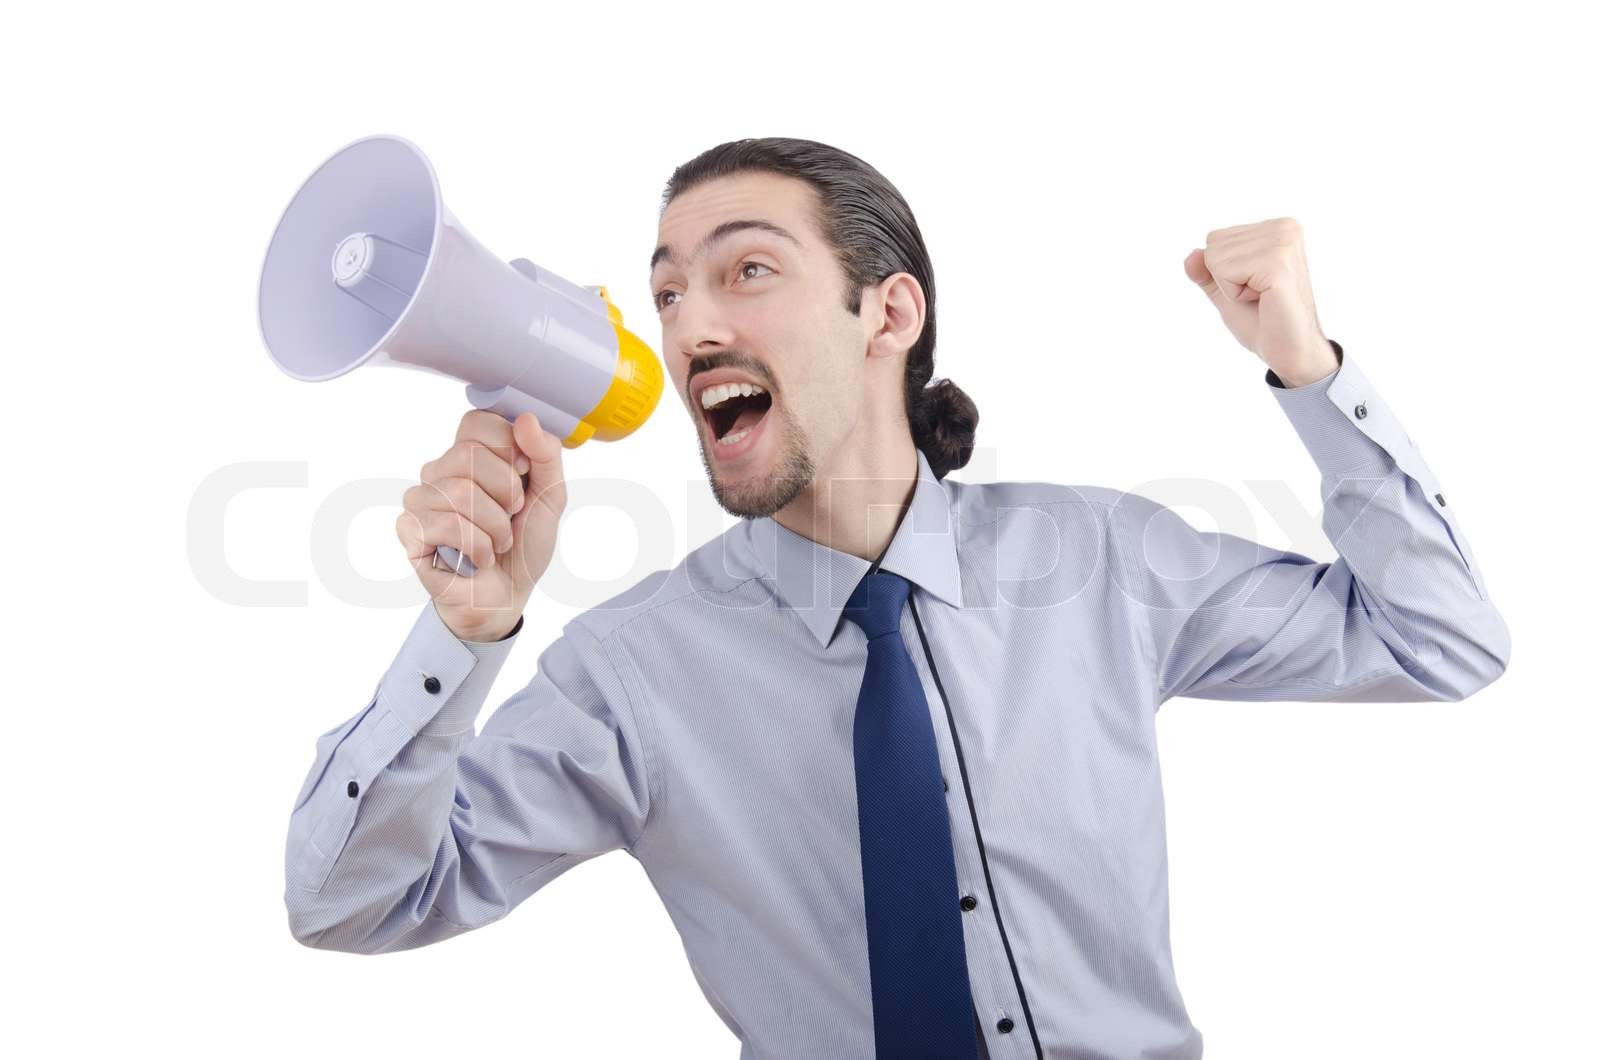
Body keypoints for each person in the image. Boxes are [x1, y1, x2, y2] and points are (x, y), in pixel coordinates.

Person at [282, 138, 1511, 1059]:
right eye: (665, 295)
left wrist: (1308, 368)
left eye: (744, 270)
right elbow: (348, 902)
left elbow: (1441, 638)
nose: (690, 326)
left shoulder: (1100, 562)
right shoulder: (629, 676)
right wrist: (464, 636)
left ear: (890, 311)